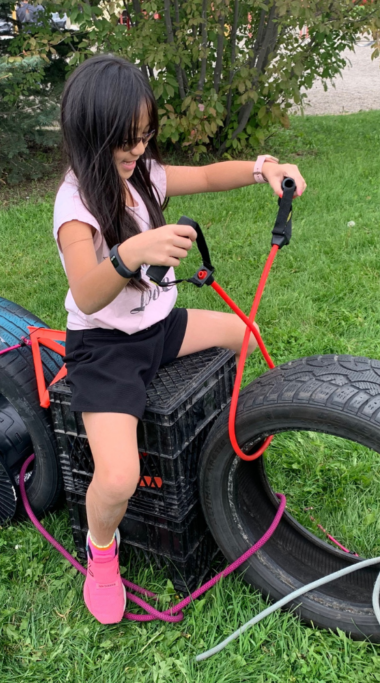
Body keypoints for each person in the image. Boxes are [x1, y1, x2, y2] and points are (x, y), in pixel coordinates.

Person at [54, 54, 307, 625]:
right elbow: (87, 294)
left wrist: (265, 168)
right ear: (91, 135)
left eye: (145, 137)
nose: (138, 149)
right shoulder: (75, 208)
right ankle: (101, 552)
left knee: (244, 335)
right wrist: (129, 254)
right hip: (105, 349)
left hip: (161, 327)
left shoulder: (143, 174)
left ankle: (236, 449)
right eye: (127, 140)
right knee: (117, 477)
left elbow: (210, 175)